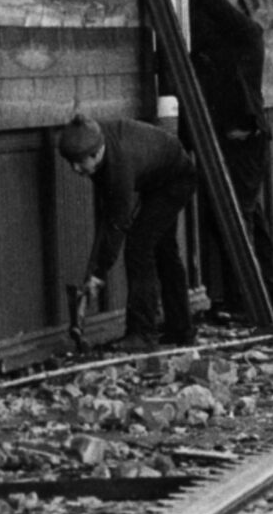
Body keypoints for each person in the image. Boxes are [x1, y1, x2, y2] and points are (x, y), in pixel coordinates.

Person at [152, 0, 272, 291]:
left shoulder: (249, 35)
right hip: (223, 141)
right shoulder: (217, 44)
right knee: (244, 219)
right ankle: (261, 295)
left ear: (241, 11)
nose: (218, 2)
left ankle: (250, 302)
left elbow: (209, 2)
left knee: (237, 221)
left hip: (245, 142)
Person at [57, 114, 199, 348]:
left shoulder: (118, 166)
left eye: (80, 162)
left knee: (139, 248)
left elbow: (117, 222)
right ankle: (181, 330)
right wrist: (95, 271)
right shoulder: (95, 142)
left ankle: (142, 333)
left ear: (96, 153)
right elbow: (109, 217)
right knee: (163, 250)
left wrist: (97, 273)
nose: (75, 168)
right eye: (71, 162)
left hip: (176, 179)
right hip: (158, 177)